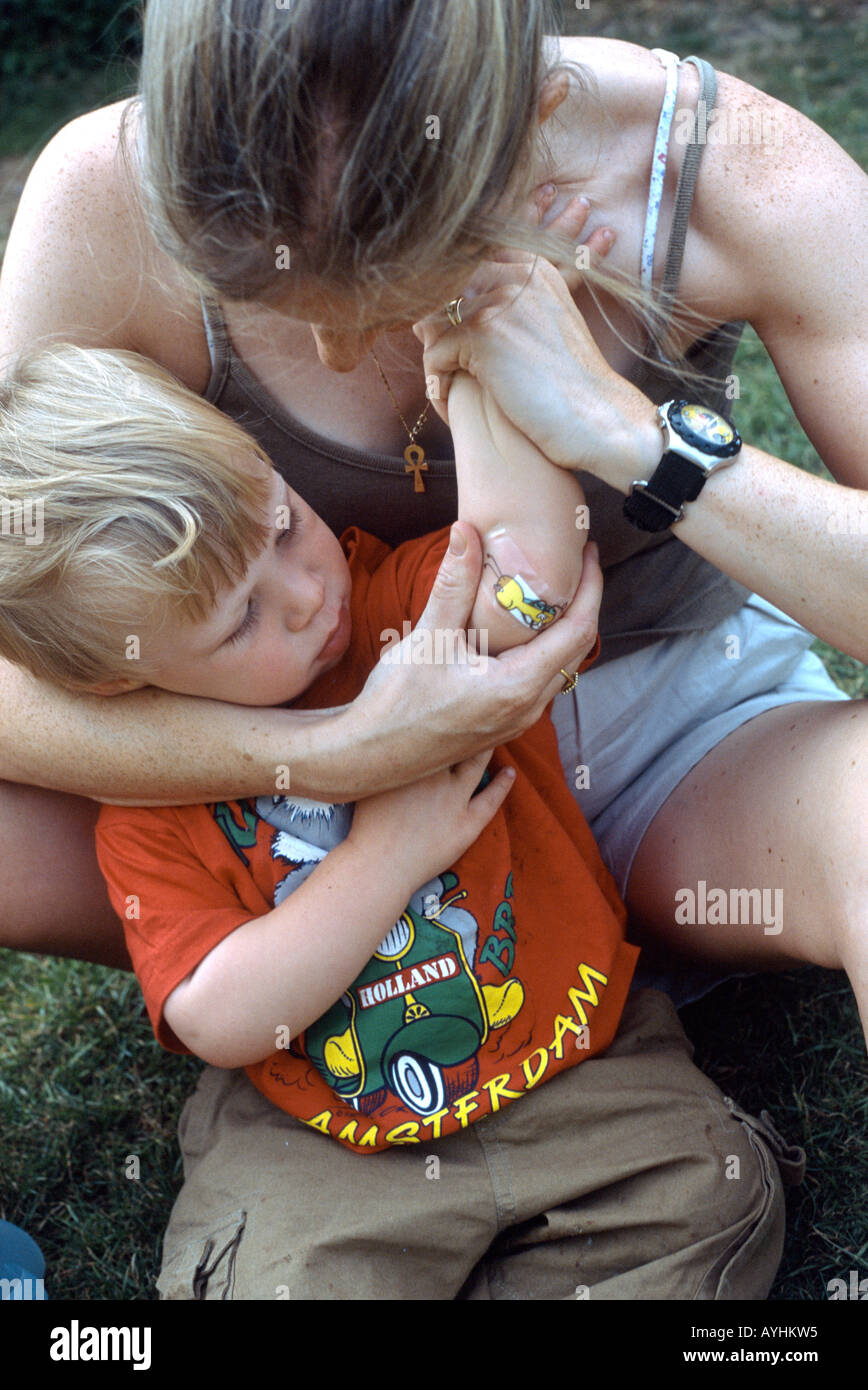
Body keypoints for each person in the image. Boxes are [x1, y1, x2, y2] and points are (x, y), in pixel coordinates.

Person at [0, 0, 861, 1291]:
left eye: (394, 277)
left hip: (674, 758)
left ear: (537, 126)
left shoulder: (732, 173)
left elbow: (527, 565)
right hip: (291, 816)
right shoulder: (104, 198)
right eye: (263, 292)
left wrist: (629, 437)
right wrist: (338, 756)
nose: (347, 349)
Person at [0, 341, 791, 1299]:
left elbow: (526, 584)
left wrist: (475, 375)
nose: (305, 595)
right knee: (272, 1282)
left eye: (285, 523)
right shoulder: (147, 806)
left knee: (710, 1200)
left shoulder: (395, 610)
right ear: (117, 680)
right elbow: (221, 1015)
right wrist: (388, 852)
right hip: (321, 1144)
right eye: (240, 620)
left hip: (578, 1069)